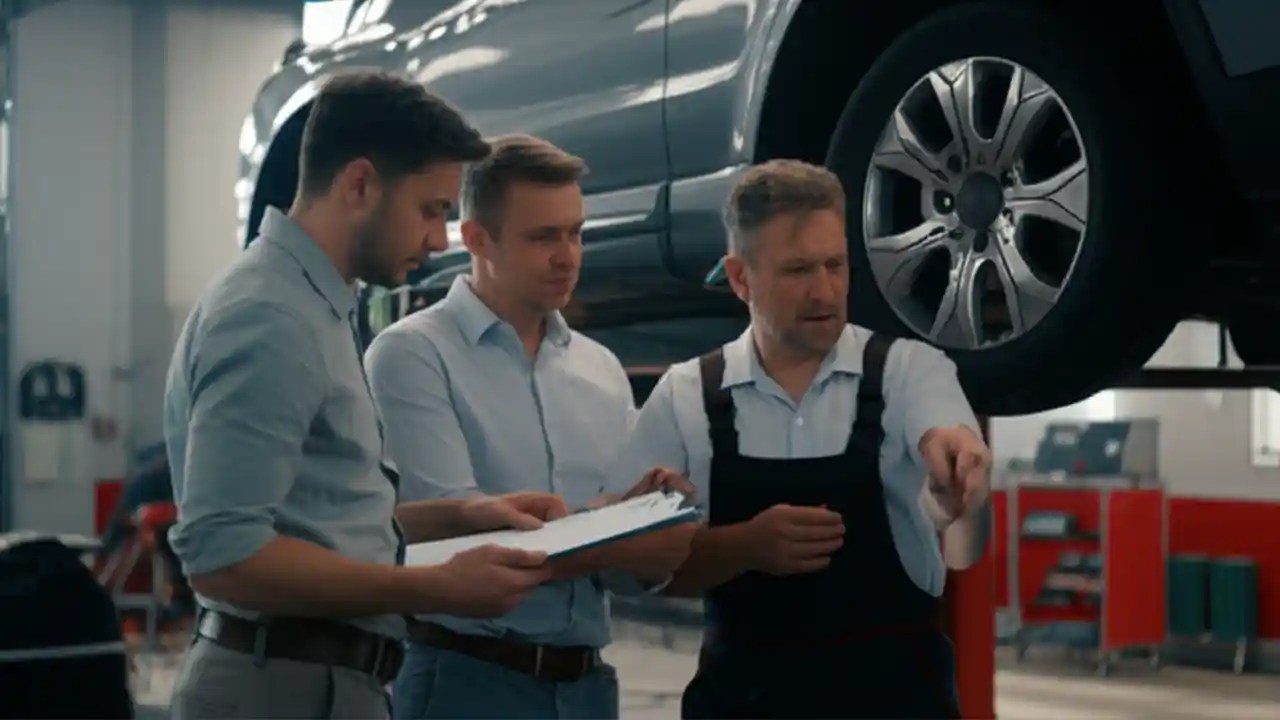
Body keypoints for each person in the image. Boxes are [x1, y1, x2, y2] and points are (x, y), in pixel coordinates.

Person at [163, 72, 569, 720]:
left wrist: (461, 518)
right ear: (358, 185)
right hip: (279, 691)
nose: (440, 240)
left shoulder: (313, 306)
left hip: (316, 682)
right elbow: (225, 555)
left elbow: (316, 520)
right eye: (432, 210)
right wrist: (431, 587)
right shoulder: (270, 317)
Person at [618, 159, 994, 719]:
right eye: (798, 270)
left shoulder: (909, 373)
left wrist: (958, 489)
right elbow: (637, 568)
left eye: (835, 265)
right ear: (740, 276)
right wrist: (744, 545)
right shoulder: (685, 396)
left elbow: (958, 503)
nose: (824, 291)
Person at [364, 134, 697, 719]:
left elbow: (628, 572)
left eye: (576, 233)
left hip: (588, 687)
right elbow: (454, 547)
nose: (568, 256)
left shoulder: (601, 369)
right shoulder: (412, 355)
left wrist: (655, 528)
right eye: (543, 237)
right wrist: (616, 523)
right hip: (468, 682)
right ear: (475, 238)